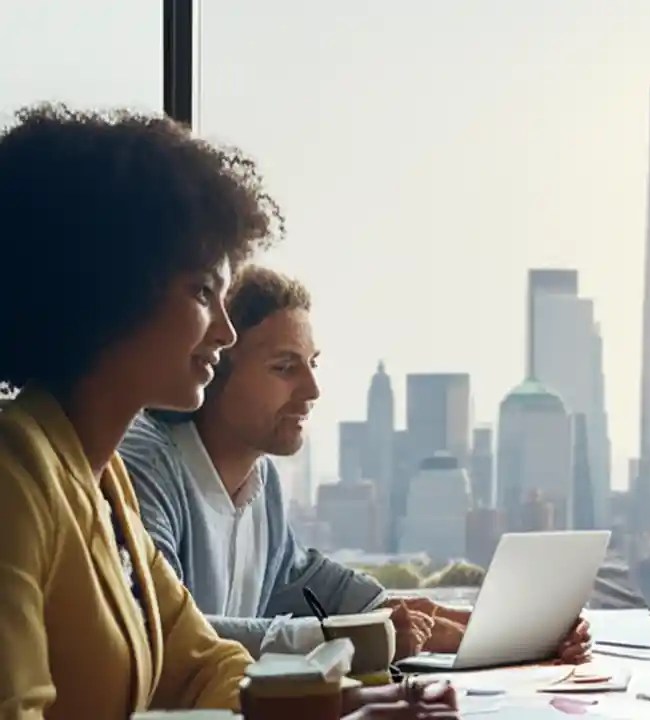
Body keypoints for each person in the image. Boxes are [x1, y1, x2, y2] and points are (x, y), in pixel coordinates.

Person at [0, 105, 454, 719]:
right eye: (202, 293)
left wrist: (355, 707)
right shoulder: (15, 472)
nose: (225, 330)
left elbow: (206, 667)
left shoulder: (103, 485)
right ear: (110, 289)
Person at [121, 265, 590, 663]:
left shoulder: (261, 479)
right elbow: (162, 630)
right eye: (285, 368)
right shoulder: (147, 464)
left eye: (313, 364)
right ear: (216, 365)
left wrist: (470, 627)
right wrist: (356, 640)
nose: (312, 391)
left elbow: (303, 578)